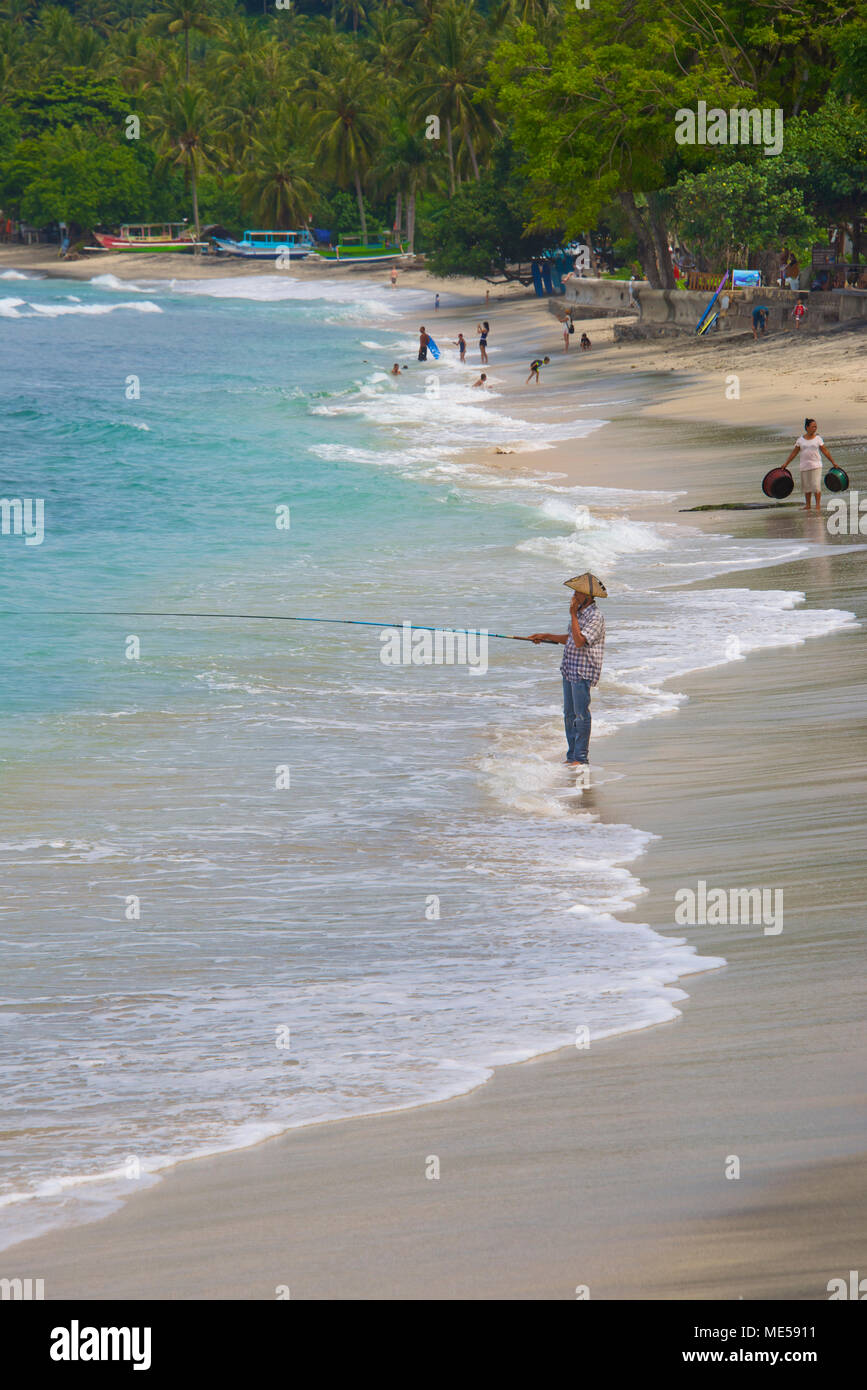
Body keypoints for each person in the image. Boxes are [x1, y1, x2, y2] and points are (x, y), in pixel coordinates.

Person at [526, 573, 607, 767]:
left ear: (587, 597)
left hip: (583, 671)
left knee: (581, 715)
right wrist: (546, 636)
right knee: (569, 714)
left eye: (577, 594)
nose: (573, 597)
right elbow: (570, 638)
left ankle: (581, 758)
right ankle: (572, 756)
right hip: (569, 668)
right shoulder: (579, 614)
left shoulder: (596, 617)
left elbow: (579, 642)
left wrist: (572, 614)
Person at [782, 418, 838, 512]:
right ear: (807, 427)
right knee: (807, 486)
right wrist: (786, 464)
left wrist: (833, 462)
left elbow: (825, 451)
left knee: (816, 485)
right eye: (813, 427)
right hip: (804, 466)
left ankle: (817, 506)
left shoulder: (818, 439)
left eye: (816, 427)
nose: (815, 428)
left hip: (816, 465)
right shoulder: (800, 440)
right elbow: (794, 453)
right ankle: (808, 505)